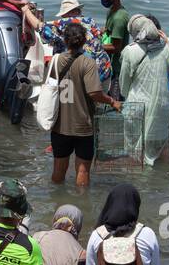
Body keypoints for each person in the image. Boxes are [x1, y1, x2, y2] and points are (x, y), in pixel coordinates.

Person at [50, 22, 122, 187]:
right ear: (83, 41)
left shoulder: (56, 60)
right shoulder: (88, 63)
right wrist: (112, 101)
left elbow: (51, 87)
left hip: (60, 126)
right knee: (82, 172)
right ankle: (82, 205)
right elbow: (94, 93)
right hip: (83, 126)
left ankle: (56, 203)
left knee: (58, 170)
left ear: (65, 40)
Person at [118, 15, 169, 170]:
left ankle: (141, 183)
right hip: (162, 106)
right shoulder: (163, 48)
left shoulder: (130, 51)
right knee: (162, 145)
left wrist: (126, 98)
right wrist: (168, 43)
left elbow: (124, 84)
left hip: (138, 106)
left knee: (135, 149)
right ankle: (168, 177)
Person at [22, 0, 113, 87]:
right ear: (78, 11)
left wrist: (25, 9)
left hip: (87, 75)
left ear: (68, 13)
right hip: (104, 69)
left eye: (64, 14)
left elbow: (39, 26)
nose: (62, 17)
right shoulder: (90, 21)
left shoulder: (64, 24)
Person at [100, 0, 131, 91]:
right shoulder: (111, 11)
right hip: (109, 64)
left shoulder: (119, 18)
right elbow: (109, 32)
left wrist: (96, 47)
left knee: (115, 101)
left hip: (117, 68)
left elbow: (116, 47)